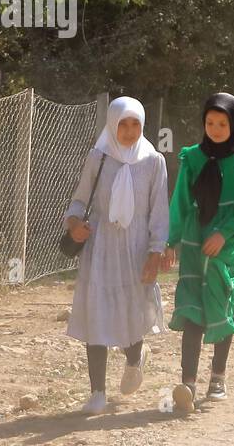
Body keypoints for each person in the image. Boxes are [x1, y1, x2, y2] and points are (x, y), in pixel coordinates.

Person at [64, 96, 168, 414]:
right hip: (100, 247)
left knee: (130, 311)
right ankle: (97, 392)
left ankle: (135, 359)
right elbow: (80, 200)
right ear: (112, 124)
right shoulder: (99, 158)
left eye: (135, 123)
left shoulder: (153, 161)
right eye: (123, 124)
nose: (129, 130)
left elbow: (158, 211)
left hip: (135, 249)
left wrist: (155, 252)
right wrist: (73, 224)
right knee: (96, 313)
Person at [163, 93, 234, 413]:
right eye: (210, 122)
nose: (216, 129)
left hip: (229, 243)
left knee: (223, 301)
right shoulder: (192, 157)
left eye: (223, 123)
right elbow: (179, 201)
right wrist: (170, 241)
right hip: (196, 240)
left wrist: (225, 233)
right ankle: (188, 384)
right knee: (192, 307)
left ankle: (217, 377)